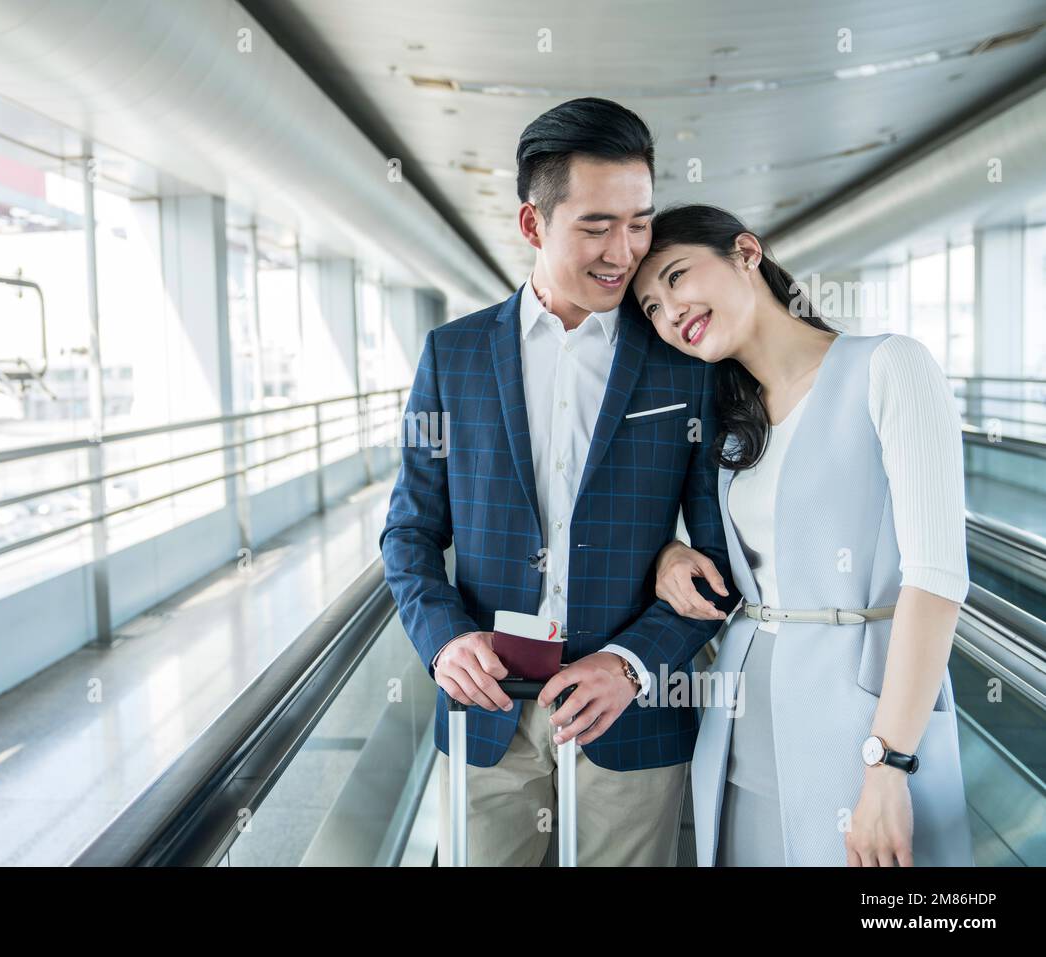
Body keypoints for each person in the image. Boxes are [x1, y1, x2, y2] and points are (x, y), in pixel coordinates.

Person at [379, 99, 736, 866]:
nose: (624, 249)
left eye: (639, 222)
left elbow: (720, 561)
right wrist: (443, 643)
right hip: (487, 709)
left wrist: (633, 665)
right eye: (597, 225)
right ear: (534, 225)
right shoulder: (453, 356)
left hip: (631, 712)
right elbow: (408, 531)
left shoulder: (685, 360)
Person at [635, 204, 974, 866]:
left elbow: (937, 579)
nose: (669, 312)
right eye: (649, 307)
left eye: (677, 277)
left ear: (747, 253)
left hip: (861, 722)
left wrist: (889, 762)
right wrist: (673, 552)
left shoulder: (890, 367)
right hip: (742, 721)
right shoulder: (734, 425)